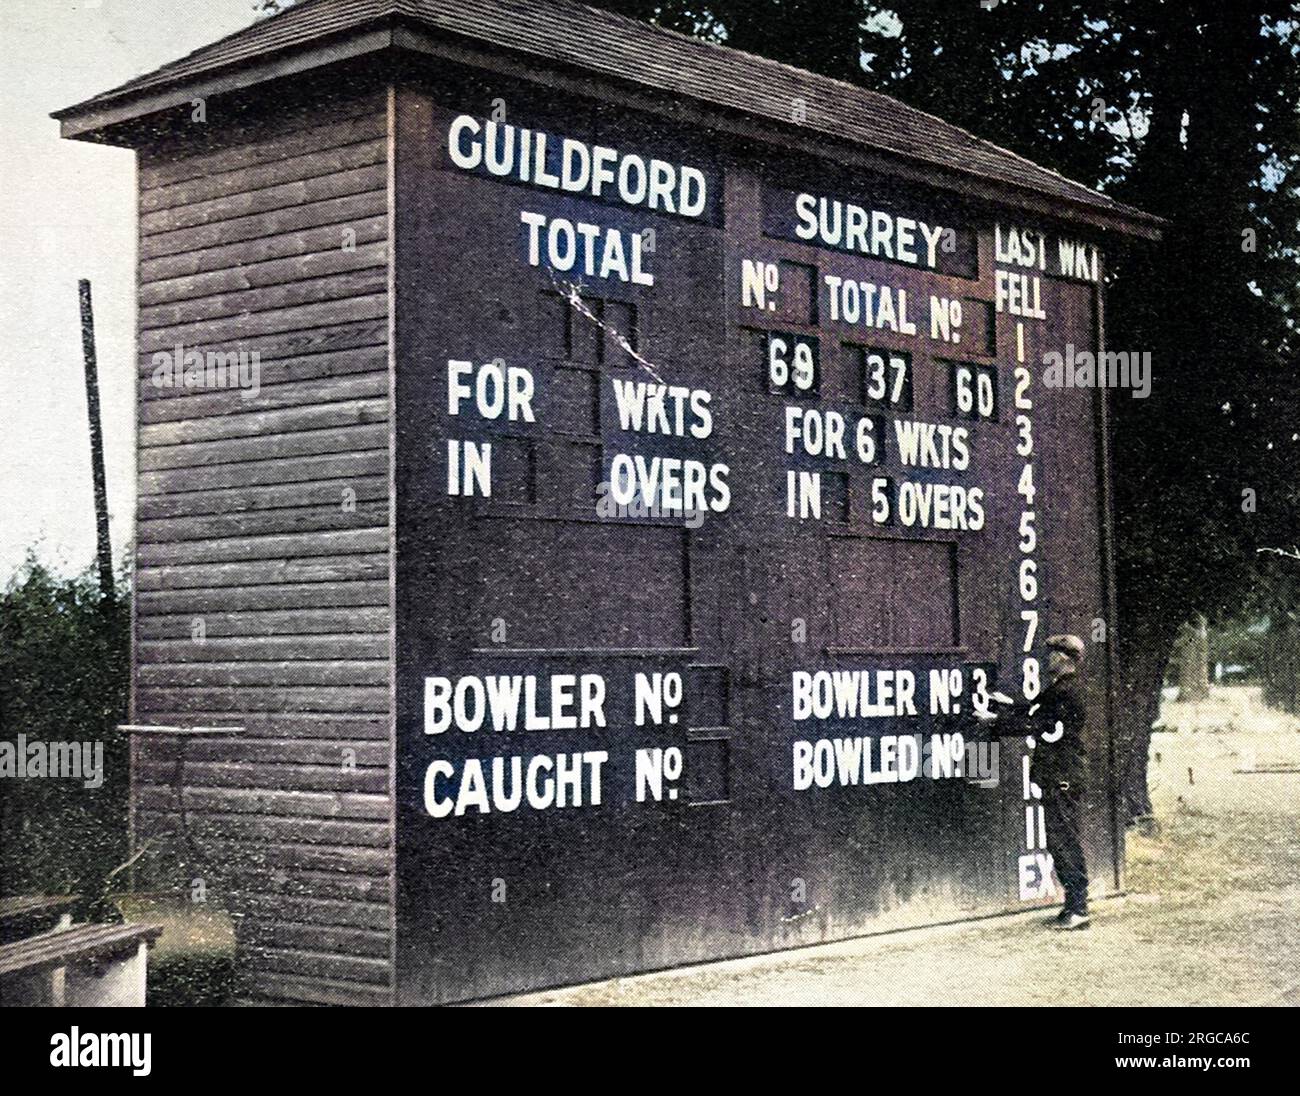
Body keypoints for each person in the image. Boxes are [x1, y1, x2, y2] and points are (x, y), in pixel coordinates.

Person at [1003, 633, 1091, 929]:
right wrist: (1006, 706)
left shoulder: (1065, 693)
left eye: (1053, 654)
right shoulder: (1060, 690)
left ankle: (1078, 908)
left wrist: (995, 724)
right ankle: (1075, 906)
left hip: (1062, 776)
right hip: (1060, 775)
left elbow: (1038, 723)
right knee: (1061, 839)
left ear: (1064, 659)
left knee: (1063, 839)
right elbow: (1032, 711)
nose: (1048, 659)